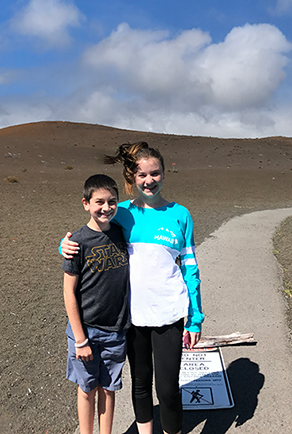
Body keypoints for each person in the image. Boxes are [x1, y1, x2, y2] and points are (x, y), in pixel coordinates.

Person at [61, 142, 203, 434]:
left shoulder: (181, 215)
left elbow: (190, 268)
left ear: (164, 173)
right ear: (132, 178)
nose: (149, 180)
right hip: (133, 316)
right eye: (142, 175)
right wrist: (65, 245)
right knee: (140, 385)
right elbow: (91, 234)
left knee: (167, 388)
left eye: (155, 173)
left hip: (169, 312)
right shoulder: (121, 211)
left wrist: (195, 317)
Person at [62, 174, 131, 434]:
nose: (106, 207)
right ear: (86, 204)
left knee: (109, 388)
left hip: (116, 330)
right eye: (99, 202)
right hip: (86, 331)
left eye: (112, 201)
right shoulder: (77, 242)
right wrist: (80, 340)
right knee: (87, 388)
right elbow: (69, 292)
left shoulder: (122, 233)